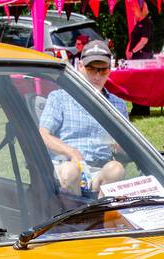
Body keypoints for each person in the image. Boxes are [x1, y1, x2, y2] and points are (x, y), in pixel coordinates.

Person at [38, 41, 127, 195]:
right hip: (68, 164)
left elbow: (126, 146)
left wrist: (119, 146)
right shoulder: (60, 98)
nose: (97, 75)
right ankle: (76, 215)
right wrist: (72, 152)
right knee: (71, 171)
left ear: (109, 69)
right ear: (80, 66)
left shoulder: (117, 104)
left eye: (103, 70)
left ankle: (102, 214)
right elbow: (43, 134)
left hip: (100, 169)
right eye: (91, 69)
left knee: (116, 169)